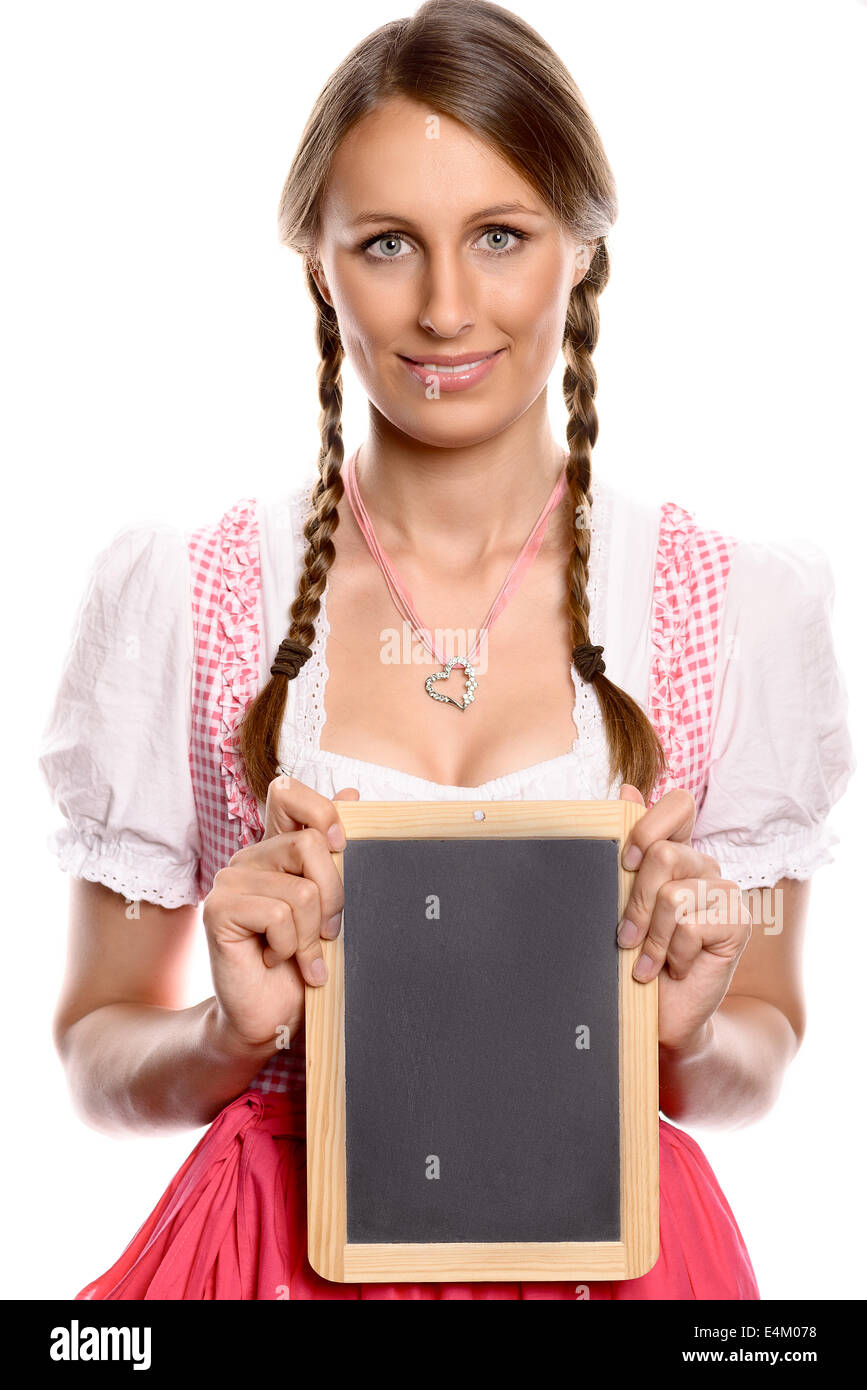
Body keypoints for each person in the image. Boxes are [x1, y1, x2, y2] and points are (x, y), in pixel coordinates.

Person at [38, 0, 854, 1300]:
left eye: (498, 235)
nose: (444, 307)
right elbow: (94, 1054)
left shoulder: (732, 604)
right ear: (318, 259)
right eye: (385, 244)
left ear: (581, 250)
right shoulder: (190, 598)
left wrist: (687, 1027)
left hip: (617, 1252)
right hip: (268, 1252)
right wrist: (221, 1032)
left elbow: (758, 1062)